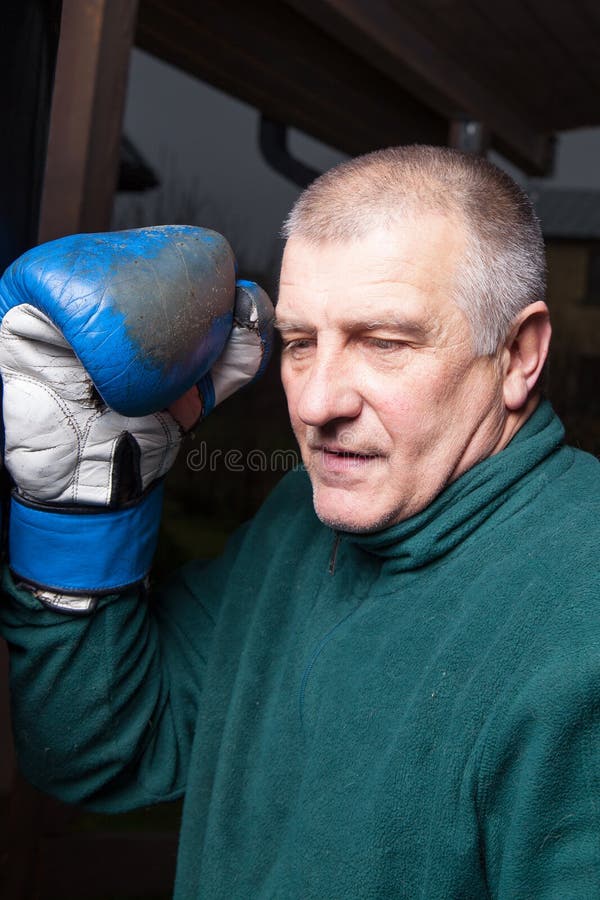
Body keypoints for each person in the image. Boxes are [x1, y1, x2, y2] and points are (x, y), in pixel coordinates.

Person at [0, 145, 599, 899]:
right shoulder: (298, 520)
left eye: (384, 343)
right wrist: (79, 516)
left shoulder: (582, 615)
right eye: (301, 344)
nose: (317, 405)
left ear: (518, 355)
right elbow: (100, 747)